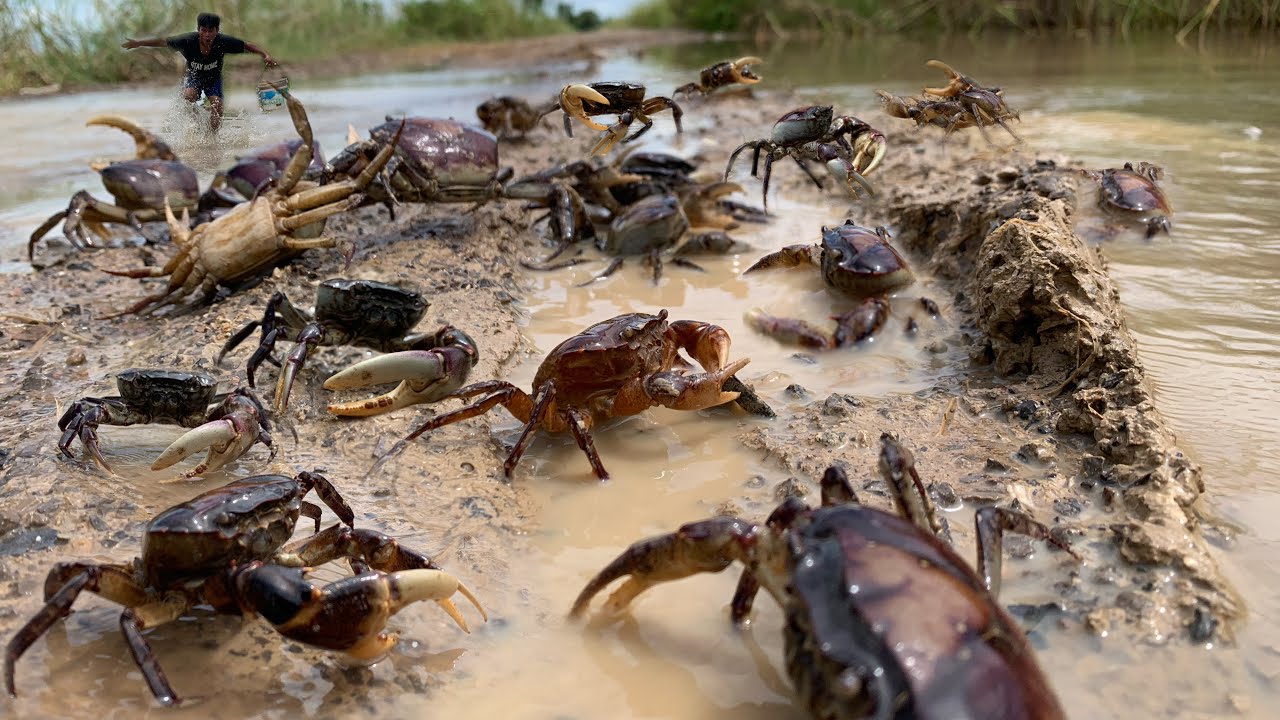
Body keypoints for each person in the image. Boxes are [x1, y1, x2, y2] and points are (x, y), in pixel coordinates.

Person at [122, 12, 276, 133]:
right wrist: (139, 43)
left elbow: (247, 45)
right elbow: (164, 42)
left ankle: (211, 137)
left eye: (211, 31)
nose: (207, 35)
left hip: (213, 79)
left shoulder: (223, 42)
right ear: (198, 30)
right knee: (188, 95)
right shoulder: (187, 41)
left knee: (218, 106)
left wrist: (265, 55)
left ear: (217, 31)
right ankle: (198, 121)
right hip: (194, 77)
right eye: (204, 31)